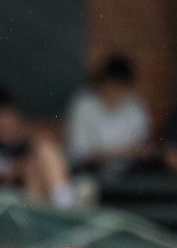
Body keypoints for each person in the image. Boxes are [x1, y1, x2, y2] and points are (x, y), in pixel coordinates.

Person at [0, 86, 75, 207]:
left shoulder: (27, 145)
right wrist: (20, 168)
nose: (6, 128)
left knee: (45, 148)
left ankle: (66, 208)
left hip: (42, 201)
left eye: (9, 121)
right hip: (3, 209)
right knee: (31, 167)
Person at [64, 54, 151, 183]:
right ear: (102, 83)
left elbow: (141, 148)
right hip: (88, 172)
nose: (115, 93)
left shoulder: (135, 108)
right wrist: (120, 153)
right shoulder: (83, 105)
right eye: (112, 86)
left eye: (121, 88)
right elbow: (78, 153)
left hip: (127, 174)